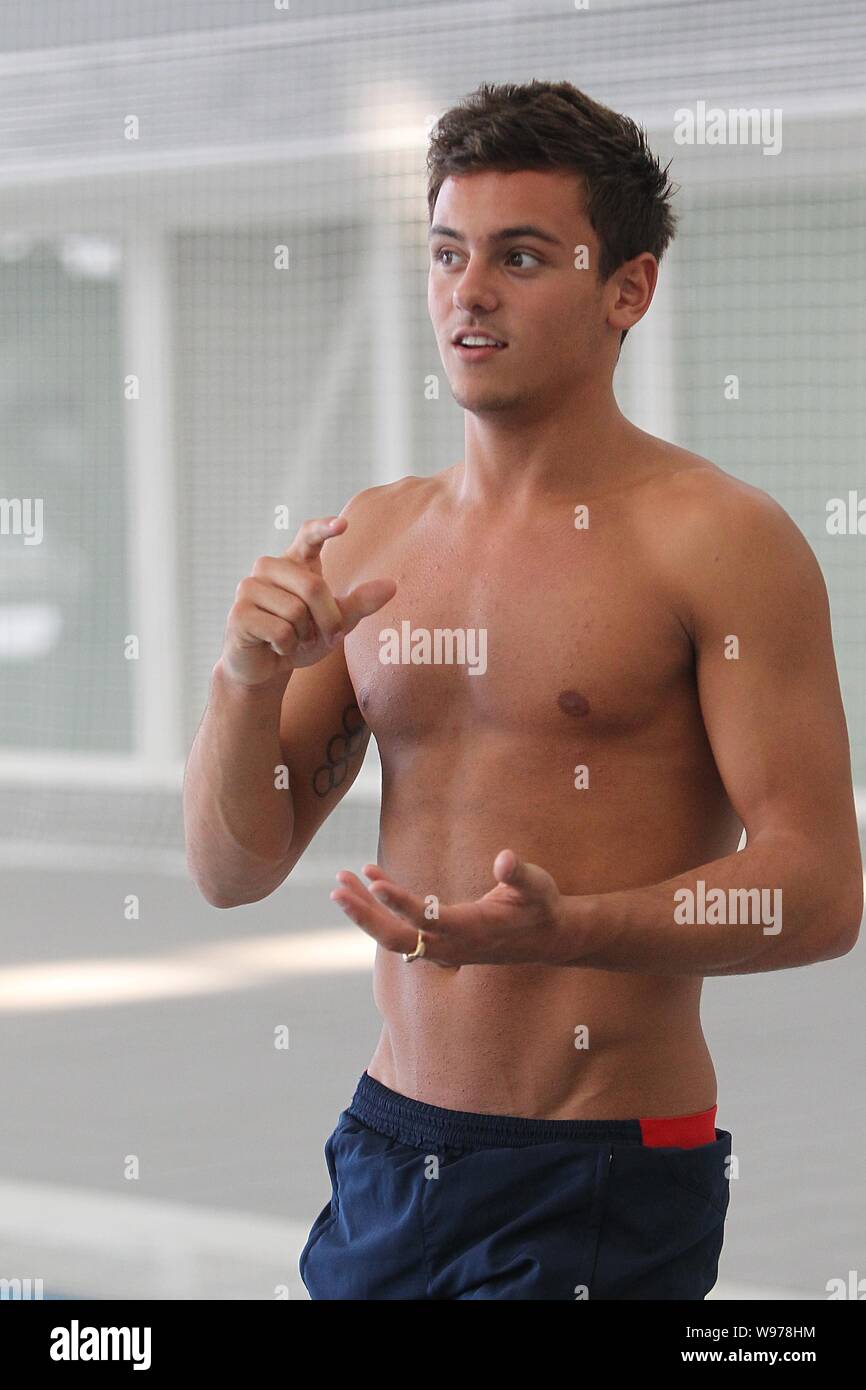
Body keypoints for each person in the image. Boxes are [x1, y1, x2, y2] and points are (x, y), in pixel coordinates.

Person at [183, 81, 863, 1299]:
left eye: (520, 256)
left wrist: (573, 929)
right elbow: (232, 869)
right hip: (388, 1146)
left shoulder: (718, 543)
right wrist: (240, 683)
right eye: (447, 253)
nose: (468, 291)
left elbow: (816, 892)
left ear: (627, 288)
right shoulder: (370, 538)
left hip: (600, 1168)